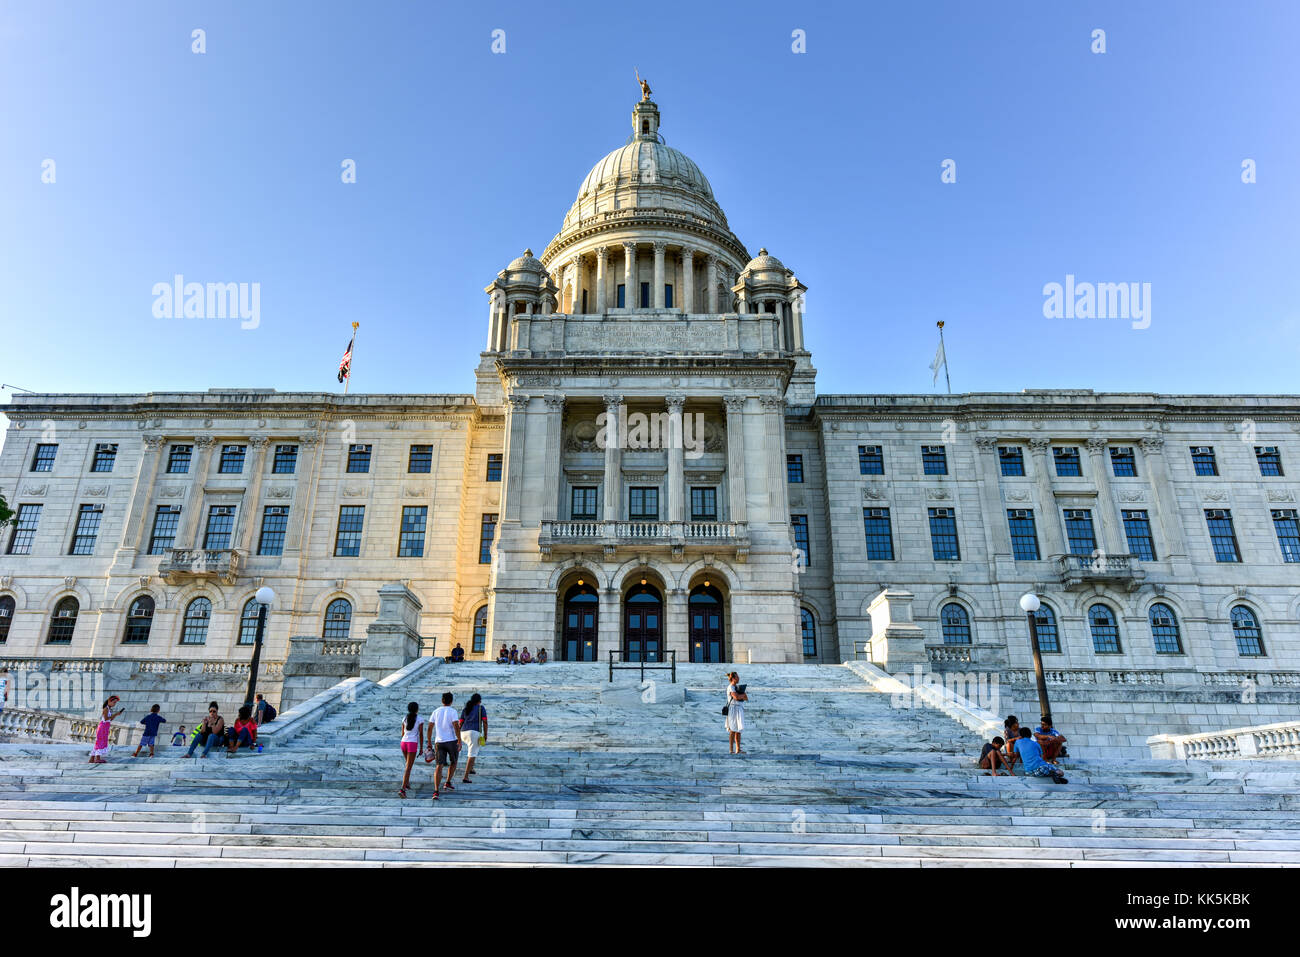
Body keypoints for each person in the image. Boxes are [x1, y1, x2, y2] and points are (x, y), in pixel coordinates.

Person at [425, 692, 461, 800]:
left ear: (442, 701)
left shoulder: (436, 711)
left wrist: (429, 742)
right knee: (454, 762)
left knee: (439, 766)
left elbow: (430, 727)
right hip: (451, 740)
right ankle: (447, 782)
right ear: (451, 701)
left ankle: (436, 791)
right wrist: (459, 740)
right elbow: (455, 725)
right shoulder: (453, 711)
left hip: (439, 742)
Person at [458, 693, 487, 783]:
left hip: (463, 733)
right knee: (472, 753)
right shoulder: (481, 708)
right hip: (474, 732)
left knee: (473, 750)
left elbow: (460, 722)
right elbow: (485, 722)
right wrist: (485, 735)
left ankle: (471, 768)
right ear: (479, 701)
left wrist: (457, 736)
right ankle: (465, 776)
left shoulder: (466, 708)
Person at [398, 701, 425, 798]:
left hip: (403, 742)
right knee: (408, 767)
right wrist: (421, 748)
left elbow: (402, 733)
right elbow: (421, 734)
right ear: (417, 709)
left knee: (407, 765)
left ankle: (407, 783)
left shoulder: (404, 718)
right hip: (412, 743)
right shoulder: (420, 719)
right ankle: (402, 789)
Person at [89, 695, 125, 764]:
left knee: (100, 741)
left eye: (115, 703)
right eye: (114, 702)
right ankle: (97, 758)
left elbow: (110, 719)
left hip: (105, 727)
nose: (114, 704)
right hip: (103, 727)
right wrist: (115, 714)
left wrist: (116, 715)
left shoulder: (109, 709)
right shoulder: (106, 709)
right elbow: (106, 719)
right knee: (100, 742)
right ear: (109, 701)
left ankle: (92, 758)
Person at [725, 672, 747, 754]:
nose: (739, 678)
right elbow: (736, 697)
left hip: (739, 709)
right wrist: (742, 696)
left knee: (738, 730)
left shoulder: (737, 687)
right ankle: (731, 749)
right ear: (733, 678)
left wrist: (741, 696)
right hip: (733, 709)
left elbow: (746, 698)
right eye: (737, 677)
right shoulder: (731, 687)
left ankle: (738, 749)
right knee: (732, 729)